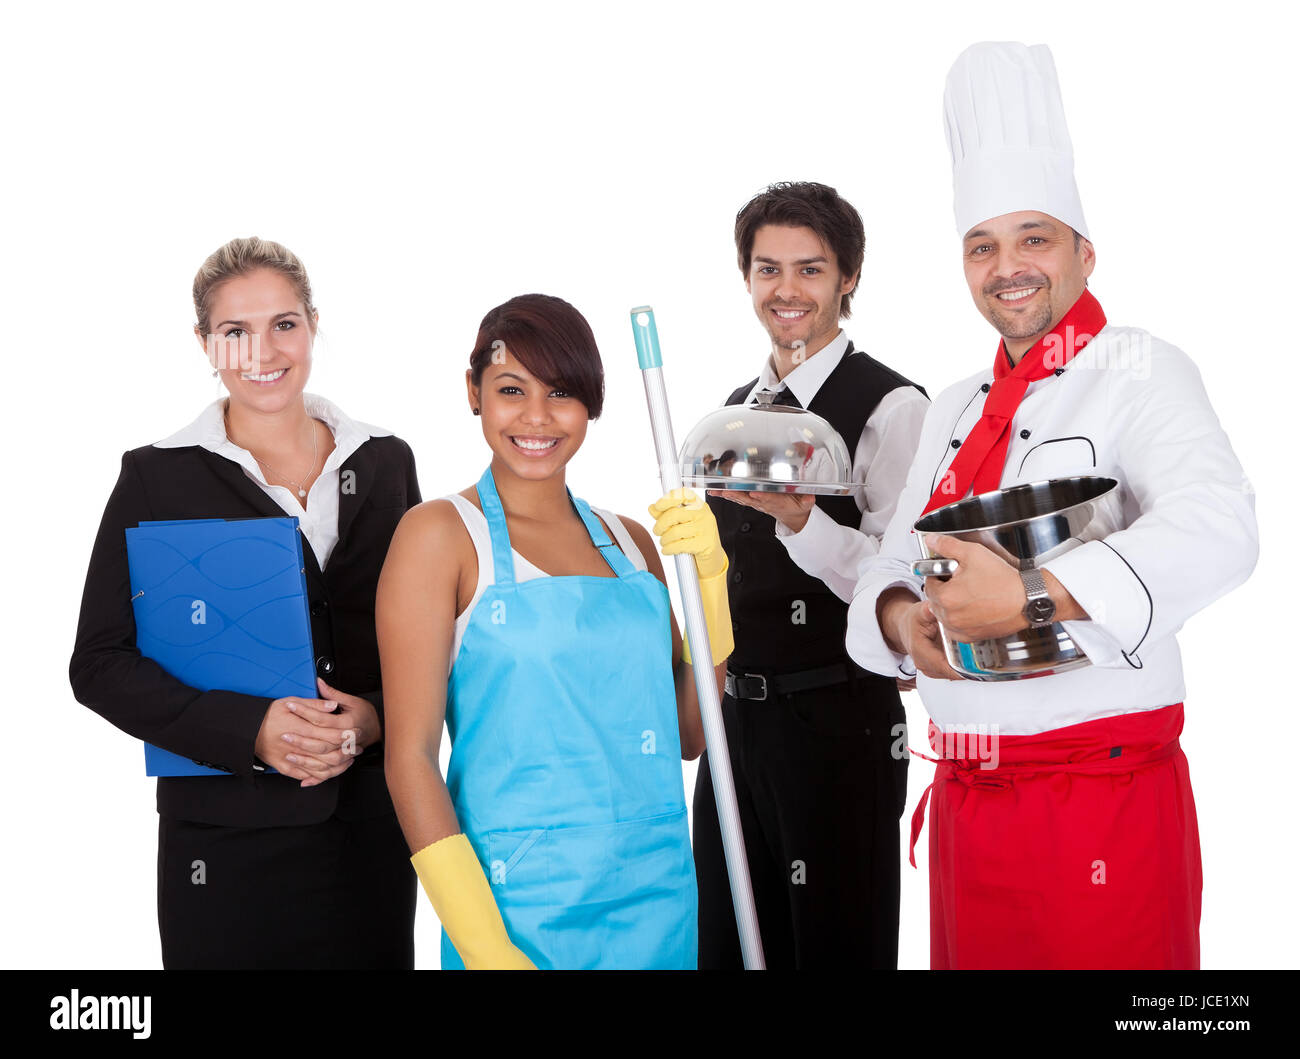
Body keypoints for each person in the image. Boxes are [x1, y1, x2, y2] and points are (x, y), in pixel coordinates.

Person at [847, 42, 1259, 969]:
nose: (1008, 266)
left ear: (1083, 249)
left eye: (1033, 237)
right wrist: (903, 620)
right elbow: (889, 561)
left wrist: (1037, 598)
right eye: (982, 245)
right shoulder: (954, 406)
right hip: (966, 805)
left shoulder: (1141, 369)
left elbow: (1221, 526)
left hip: (1098, 807)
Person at [69, 236, 420, 968]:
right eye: (235, 332)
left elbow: (430, 637)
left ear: (313, 325)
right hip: (223, 847)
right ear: (205, 344)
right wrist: (248, 729)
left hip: (370, 833)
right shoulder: (155, 479)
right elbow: (99, 663)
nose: (263, 350)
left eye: (284, 323)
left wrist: (378, 713)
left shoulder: (385, 461)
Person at [379, 293, 731, 970]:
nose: (536, 417)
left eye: (562, 392)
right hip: (517, 909)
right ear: (473, 391)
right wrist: (484, 945)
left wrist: (713, 591)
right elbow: (411, 760)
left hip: (655, 901)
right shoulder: (441, 537)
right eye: (511, 390)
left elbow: (690, 734)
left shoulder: (632, 542)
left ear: (590, 404)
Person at [695, 182, 929, 968]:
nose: (786, 291)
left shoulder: (893, 408)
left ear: (848, 278)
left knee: (835, 947)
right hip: (739, 727)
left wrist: (800, 519)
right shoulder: (734, 411)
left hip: (840, 726)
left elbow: (907, 581)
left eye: (810, 269)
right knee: (727, 945)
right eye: (768, 270)